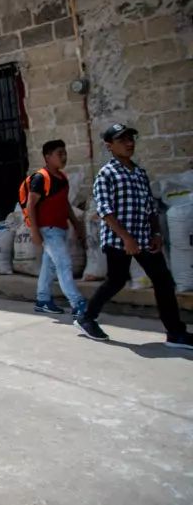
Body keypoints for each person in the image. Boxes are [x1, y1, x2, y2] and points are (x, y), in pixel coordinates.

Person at [75, 125, 190, 348]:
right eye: (122, 140)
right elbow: (105, 211)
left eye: (130, 139)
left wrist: (156, 233)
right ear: (109, 146)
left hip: (144, 238)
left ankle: (175, 333)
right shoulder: (106, 174)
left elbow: (150, 207)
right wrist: (127, 238)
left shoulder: (139, 173)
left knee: (164, 280)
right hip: (119, 240)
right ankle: (86, 317)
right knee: (116, 281)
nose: (129, 143)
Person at [25, 140, 87, 316]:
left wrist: (76, 224)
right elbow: (31, 205)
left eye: (65, 153)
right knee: (64, 263)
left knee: (50, 265)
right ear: (47, 157)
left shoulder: (62, 178)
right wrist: (35, 231)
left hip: (61, 228)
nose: (64, 157)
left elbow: (65, 203)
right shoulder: (40, 178)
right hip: (49, 229)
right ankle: (77, 303)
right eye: (60, 154)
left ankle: (42, 300)